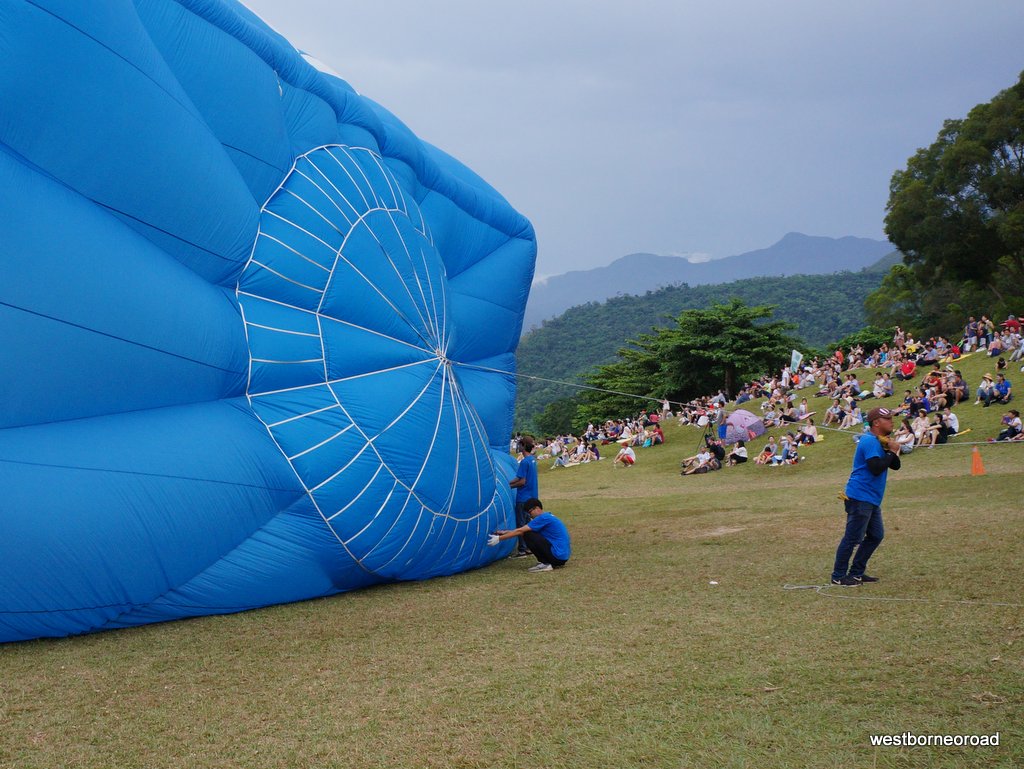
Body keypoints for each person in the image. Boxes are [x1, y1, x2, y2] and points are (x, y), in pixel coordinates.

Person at [831, 407, 902, 586]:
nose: (892, 422)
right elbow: (876, 468)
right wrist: (892, 452)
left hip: (870, 498)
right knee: (853, 538)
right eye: (887, 419)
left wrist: (891, 449)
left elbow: (895, 466)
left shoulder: (879, 441)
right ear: (876, 422)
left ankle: (856, 572)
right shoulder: (869, 441)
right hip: (860, 496)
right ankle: (838, 576)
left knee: (876, 535)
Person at [487, 497, 570, 573]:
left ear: (537, 508)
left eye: (530, 512)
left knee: (527, 534)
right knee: (527, 533)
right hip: (561, 557)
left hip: (557, 556)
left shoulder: (542, 518)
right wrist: (505, 532)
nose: (530, 515)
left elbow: (521, 531)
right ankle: (546, 562)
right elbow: (521, 530)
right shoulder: (547, 516)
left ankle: (545, 563)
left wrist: (499, 538)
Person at [508, 436, 539, 558]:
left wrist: (508, 486)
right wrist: (509, 483)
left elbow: (522, 482)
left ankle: (522, 549)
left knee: (521, 524)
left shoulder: (524, 462)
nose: (518, 447)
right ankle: (528, 547)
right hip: (532, 497)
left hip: (523, 498)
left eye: (519, 445)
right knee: (528, 524)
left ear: (523, 446)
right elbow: (519, 478)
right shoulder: (532, 460)